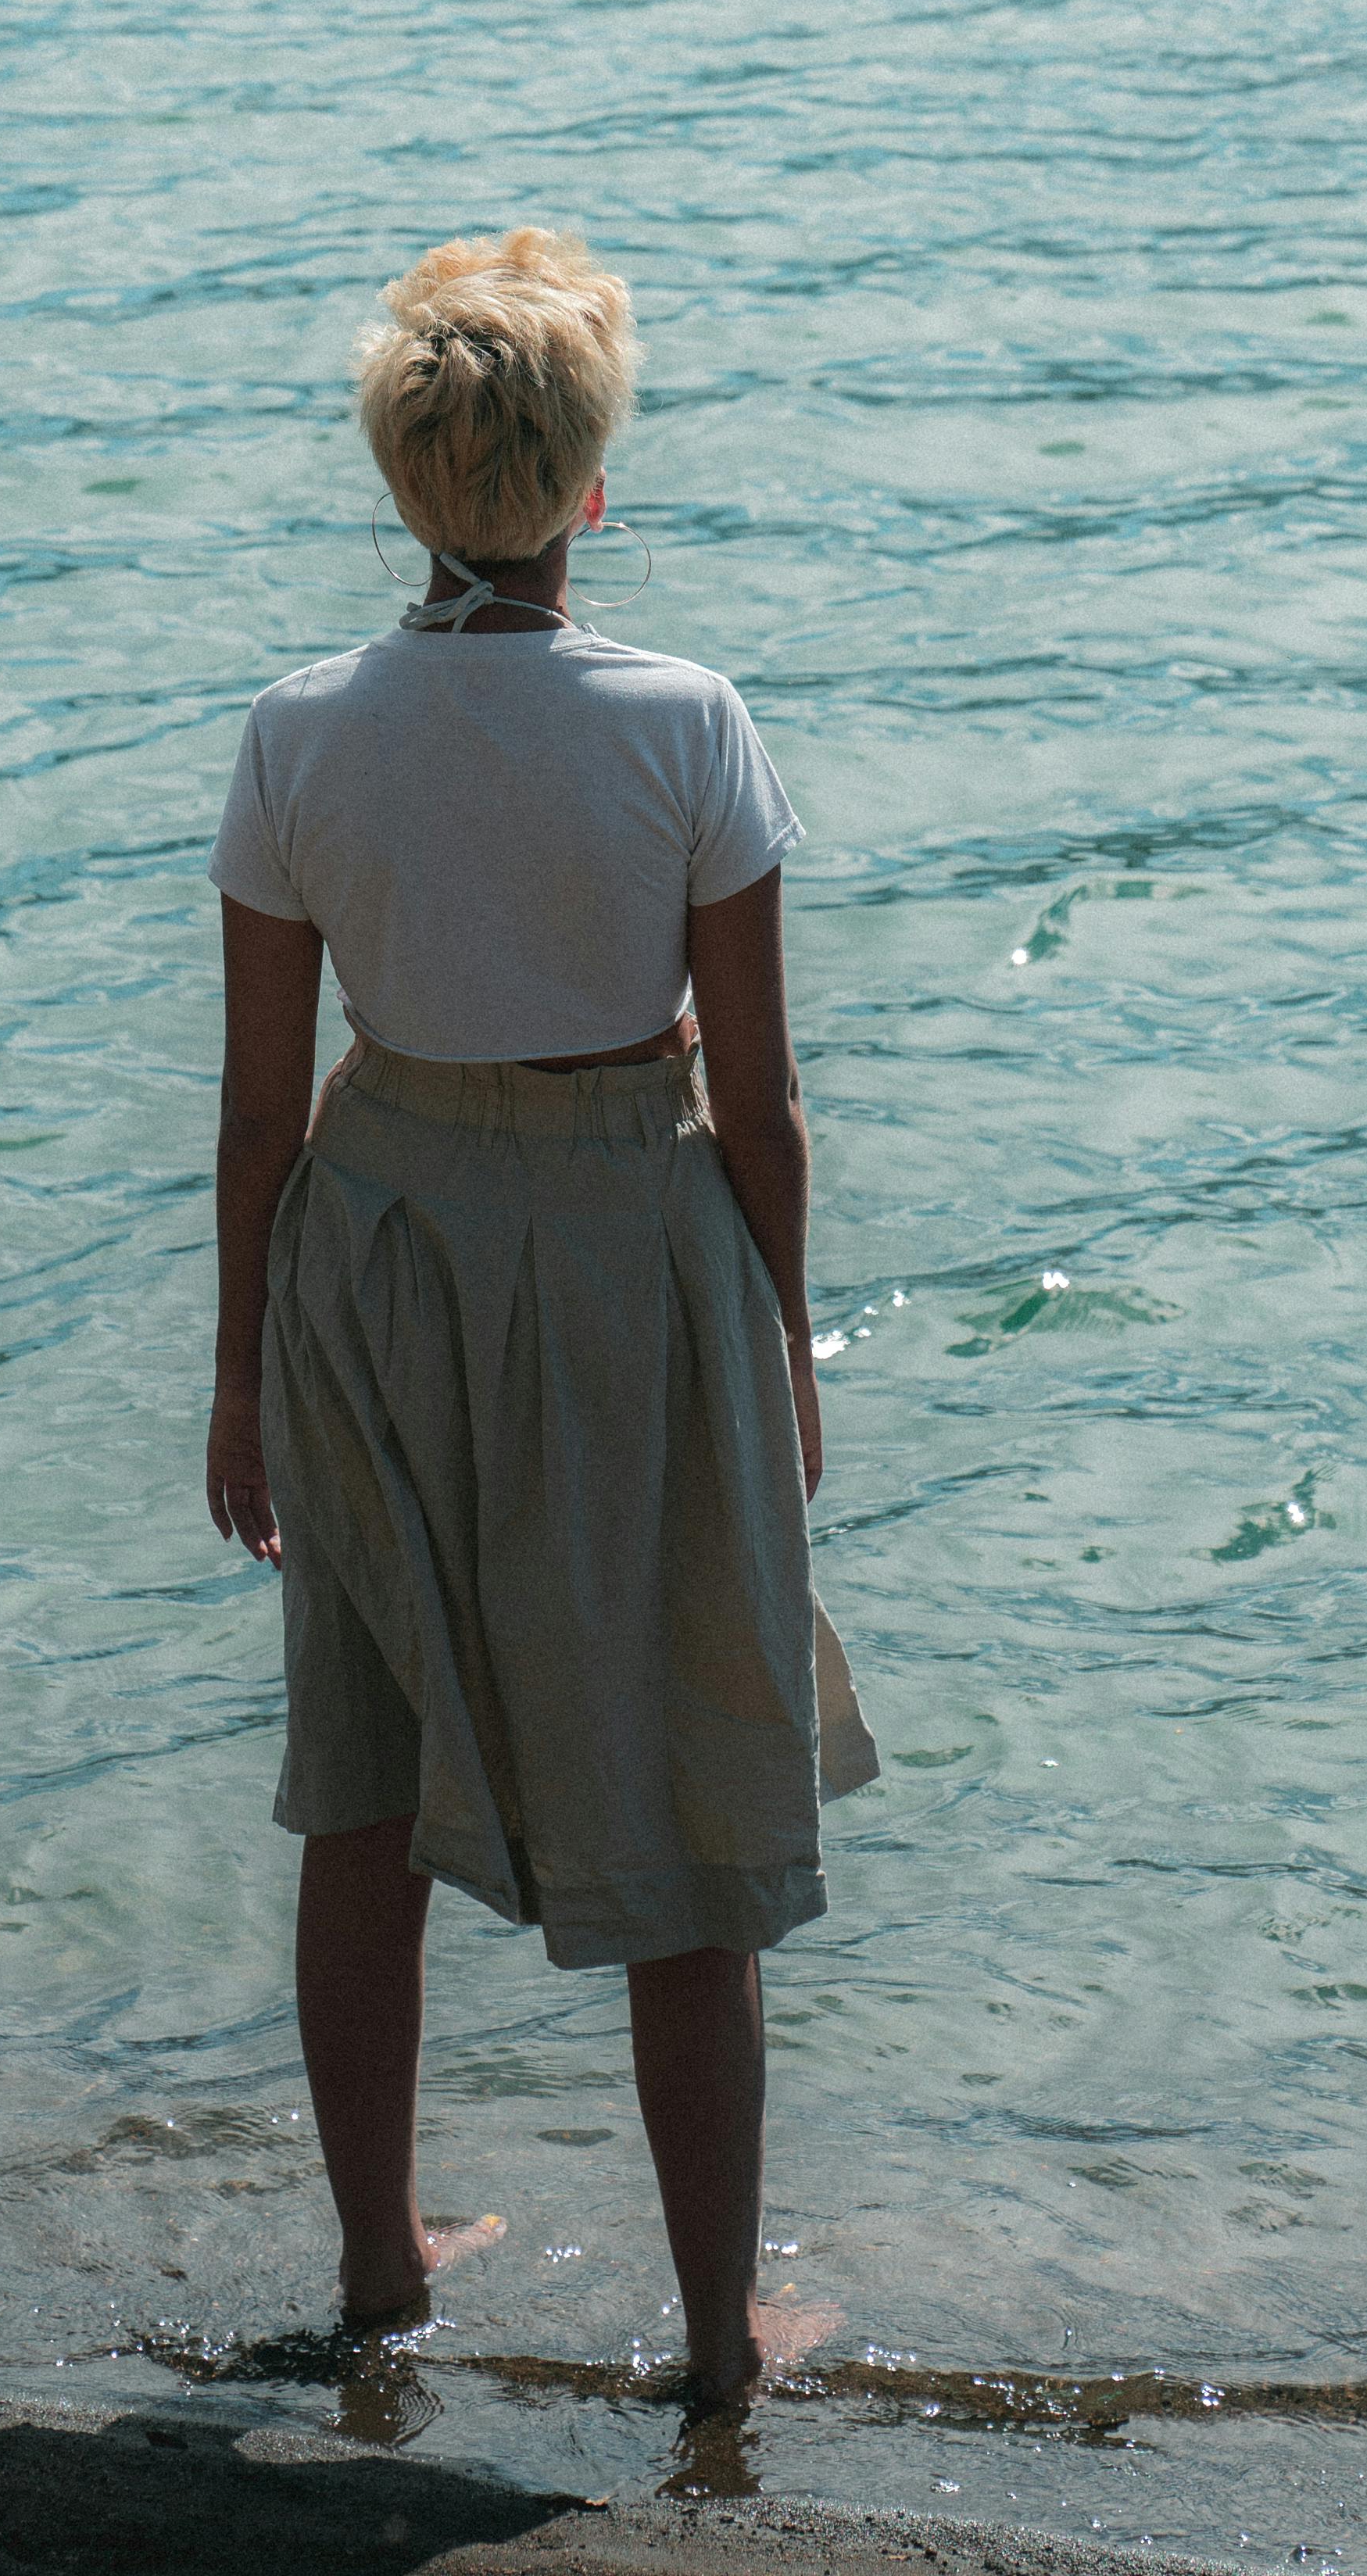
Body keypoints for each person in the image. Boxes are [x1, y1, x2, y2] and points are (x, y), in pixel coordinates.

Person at [203, 227, 874, 2411]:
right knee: (688, 1781)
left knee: (364, 1786)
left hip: (377, 1241)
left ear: (406, 484)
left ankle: (383, 2264)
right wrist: (780, 1338)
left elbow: (255, 1108)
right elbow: (756, 1099)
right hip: (622, 1253)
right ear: (591, 488)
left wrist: (237, 1380)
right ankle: (711, 2340)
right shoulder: (687, 722)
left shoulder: (302, 732)